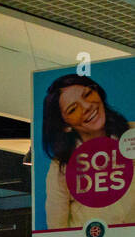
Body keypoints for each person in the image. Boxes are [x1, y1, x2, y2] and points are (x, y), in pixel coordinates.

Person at [42, 75, 135, 229]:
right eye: (73, 109)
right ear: (66, 126)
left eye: (87, 94)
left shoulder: (131, 134)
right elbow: (56, 230)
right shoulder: (61, 167)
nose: (86, 106)